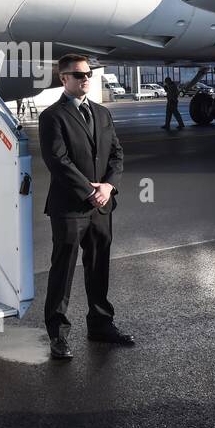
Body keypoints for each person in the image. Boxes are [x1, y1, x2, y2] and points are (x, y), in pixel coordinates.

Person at [39, 53, 134, 359]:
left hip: (101, 206)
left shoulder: (103, 114)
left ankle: (101, 324)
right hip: (69, 206)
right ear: (63, 78)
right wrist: (88, 191)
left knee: (98, 266)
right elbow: (57, 160)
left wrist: (108, 186)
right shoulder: (52, 116)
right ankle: (58, 334)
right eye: (79, 75)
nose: (86, 79)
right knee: (63, 270)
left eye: (88, 74)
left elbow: (116, 154)